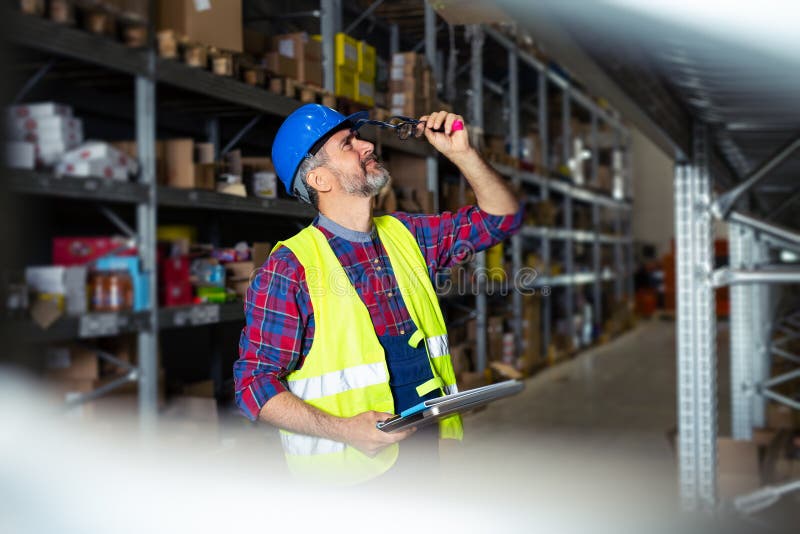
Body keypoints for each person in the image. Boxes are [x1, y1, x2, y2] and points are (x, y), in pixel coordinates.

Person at [233, 104, 522, 483]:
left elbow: (502, 218)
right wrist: (345, 429)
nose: (367, 145)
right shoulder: (290, 269)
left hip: (429, 447)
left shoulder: (407, 235)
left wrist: (462, 154)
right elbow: (254, 386)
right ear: (320, 179)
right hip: (349, 474)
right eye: (348, 144)